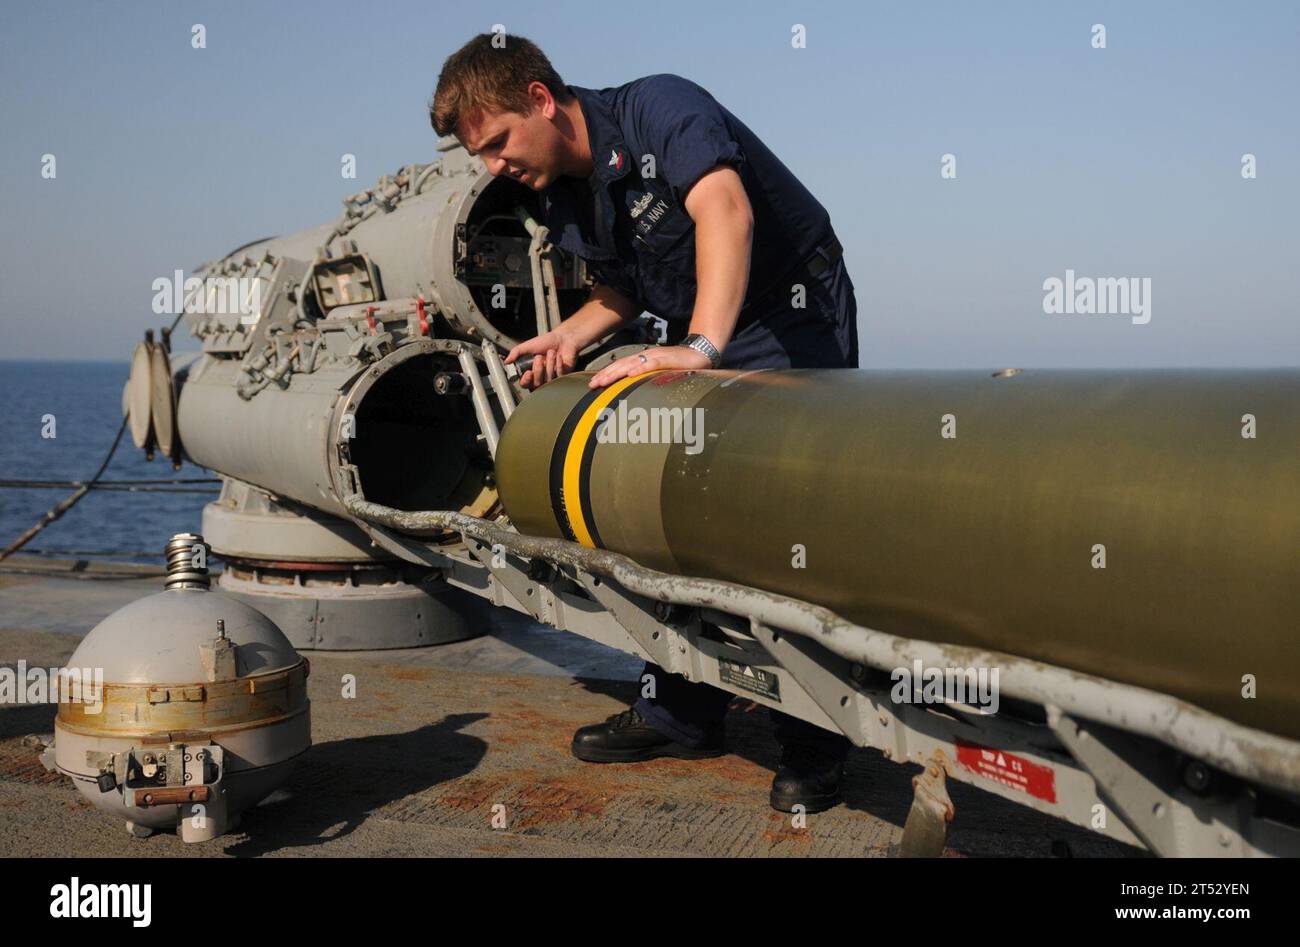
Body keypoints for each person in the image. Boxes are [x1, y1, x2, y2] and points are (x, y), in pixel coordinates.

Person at [431, 34, 859, 812]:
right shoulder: (559, 189)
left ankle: (817, 739)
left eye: (496, 142)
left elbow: (723, 209)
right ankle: (683, 711)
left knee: (787, 523)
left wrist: (699, 347)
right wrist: (571, 335)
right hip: (705, 324)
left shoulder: (660, 106)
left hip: (787, 311)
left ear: (539, 97)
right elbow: (625, 289)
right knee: (677, 514)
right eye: (479, 156)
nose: (493, 165)